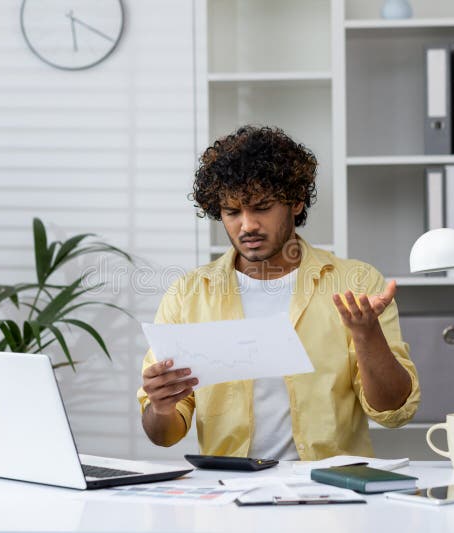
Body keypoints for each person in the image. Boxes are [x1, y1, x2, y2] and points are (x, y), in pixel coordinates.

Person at [136, 125, 420, 460]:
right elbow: (163, 435)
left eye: (262, 207)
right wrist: (161, 406)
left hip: (329, 494)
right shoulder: (189, 295)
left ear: (296, 201)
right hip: (230, 494)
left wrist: (367, 334)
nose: (247, 225)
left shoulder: (356, 283)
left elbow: (394, 412)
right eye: (232, 212)